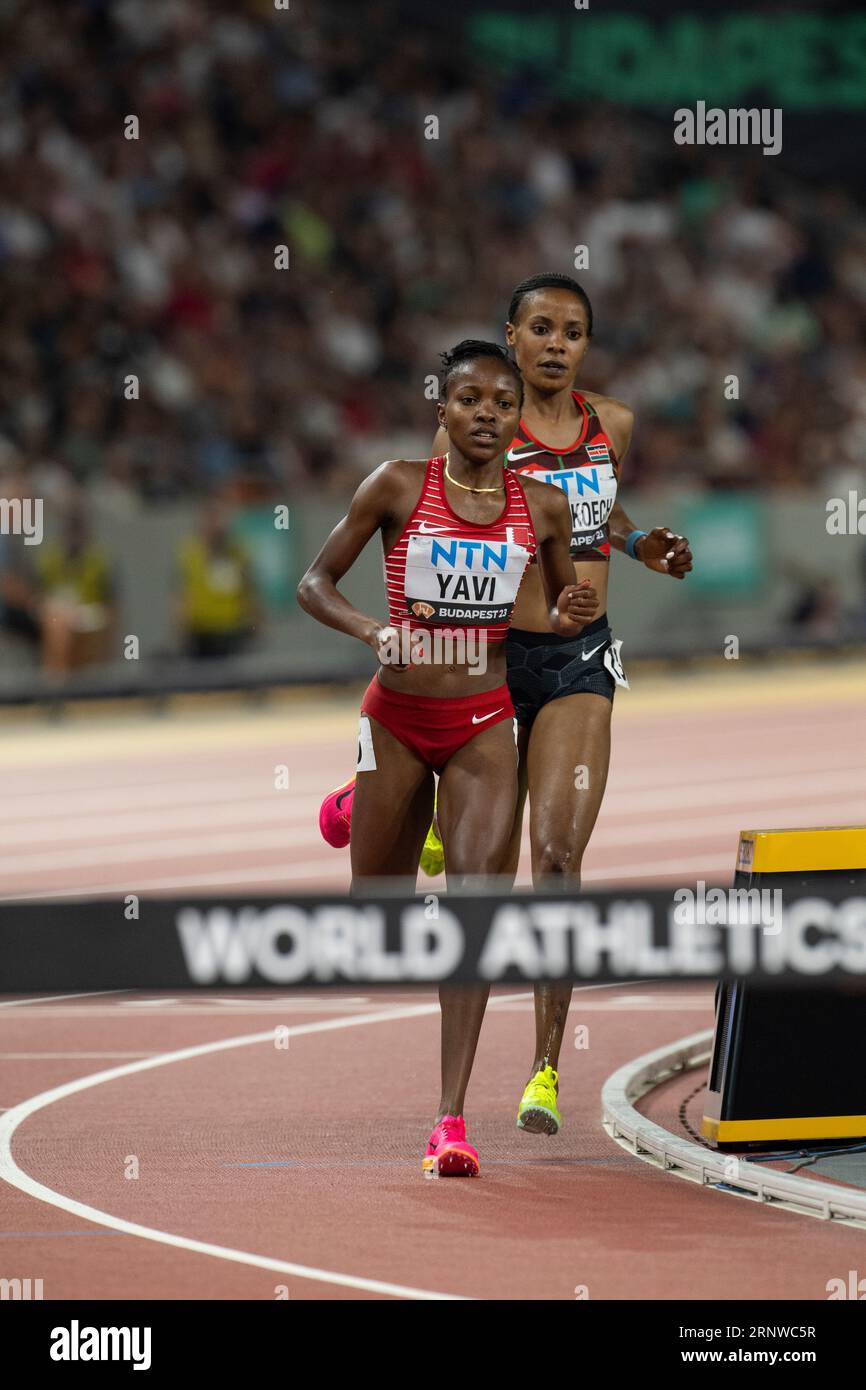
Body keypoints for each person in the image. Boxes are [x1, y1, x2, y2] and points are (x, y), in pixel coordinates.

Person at [319, 274, 694, 1139]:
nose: (557, 345)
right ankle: (372, 792)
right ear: (511, 339)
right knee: (416, 880)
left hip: (573, 659)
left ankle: (544, 1069)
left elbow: (591, 518)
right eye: (541, 330)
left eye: (573, 332)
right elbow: (436, 524)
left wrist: (641, 544)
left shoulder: (614, 425)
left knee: (555, 857)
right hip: (481, 662)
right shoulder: (480, 416)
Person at [297, 339, 599, 1176]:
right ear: (444, 410)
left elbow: (556, 611)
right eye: (471, 401)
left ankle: (450, 1122)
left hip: (481, 725)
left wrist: (572, 610)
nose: (489, 416)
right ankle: (356, 807)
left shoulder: (541, 507)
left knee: (473, 916)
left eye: (503, 405)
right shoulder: (397, 484)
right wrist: (370, 629)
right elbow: (313, 583)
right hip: (395, 718)